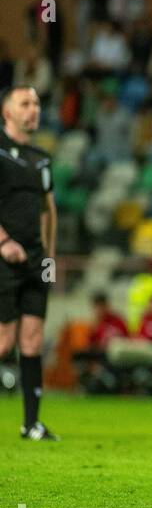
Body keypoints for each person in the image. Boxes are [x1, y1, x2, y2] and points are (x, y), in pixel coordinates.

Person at [0, 86, 58, 439]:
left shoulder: (42, 158)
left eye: (36, 103)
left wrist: (49, 256)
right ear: (7, 112)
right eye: (25, 103)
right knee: (4, 340)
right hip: (4, 258)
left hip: (36, 259)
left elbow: (49, 210)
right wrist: (3, 241)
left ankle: (31, 424)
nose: (33, 109)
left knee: (32, 340)